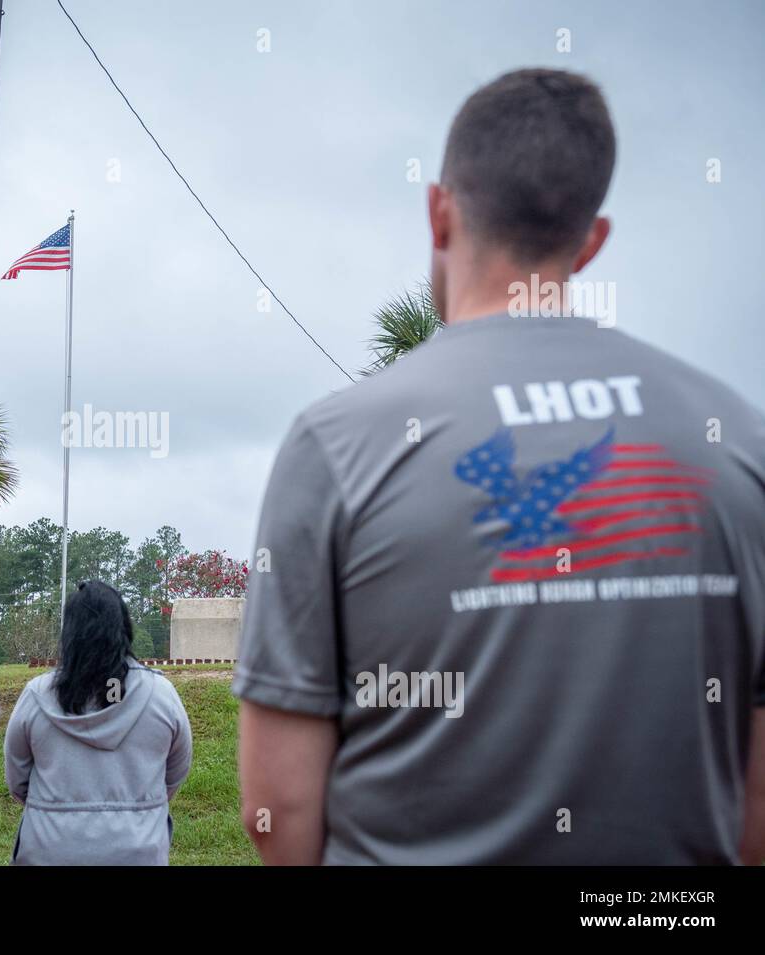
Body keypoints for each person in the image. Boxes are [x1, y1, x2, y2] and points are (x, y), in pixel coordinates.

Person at [235, 68, 765, 865]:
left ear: (438, 212)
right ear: (592, 241)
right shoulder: (736, 439)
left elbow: (276, 806)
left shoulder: (335, 443)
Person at [4, 581, 192, 865]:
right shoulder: (161, 695)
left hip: (49, 850)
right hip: (139, 851)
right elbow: (175, 774)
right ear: (124, 629)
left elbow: (17, 780)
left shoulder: (36, 695)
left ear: (69, 633)